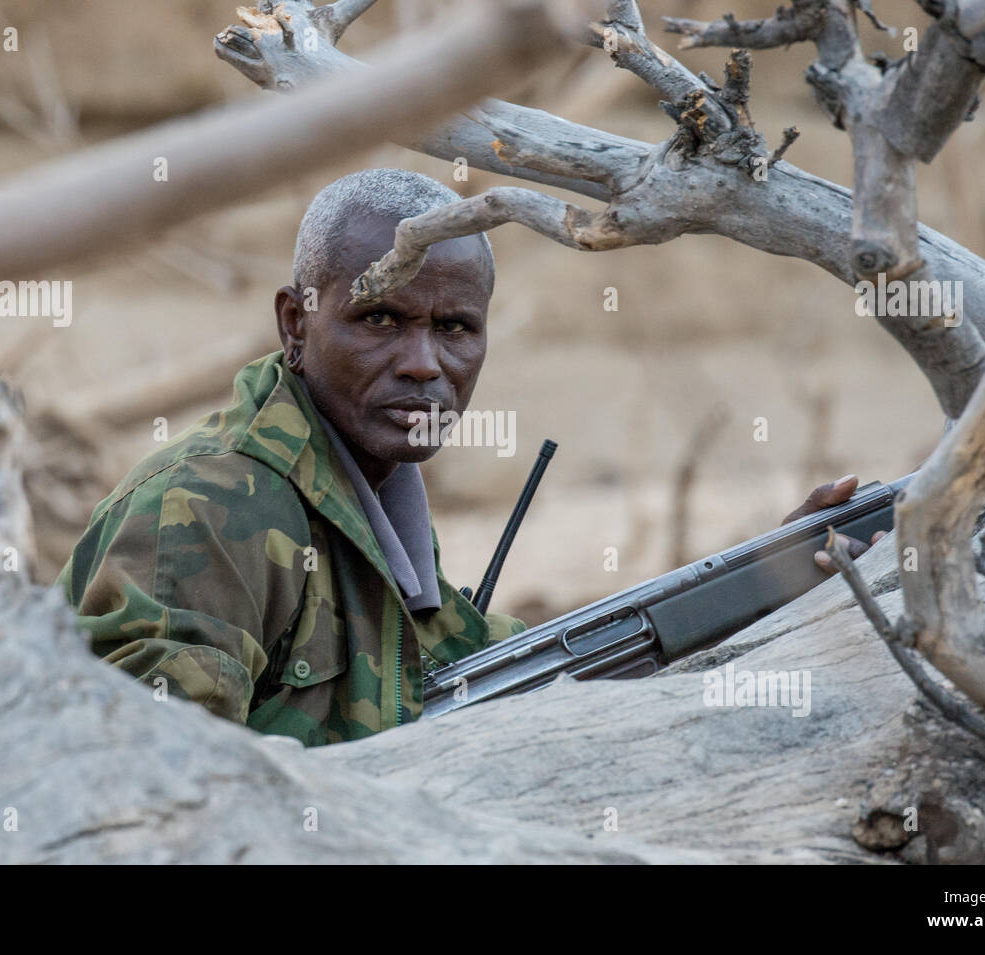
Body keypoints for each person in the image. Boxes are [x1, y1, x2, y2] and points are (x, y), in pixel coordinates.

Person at [56, 167, 879, 747]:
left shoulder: (375, 513)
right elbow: (149, 790)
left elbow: (541, 681)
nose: (424, 362)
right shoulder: (206, 505)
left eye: (454, 328)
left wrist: (763, 582)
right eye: (381, 319)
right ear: (295, 325)